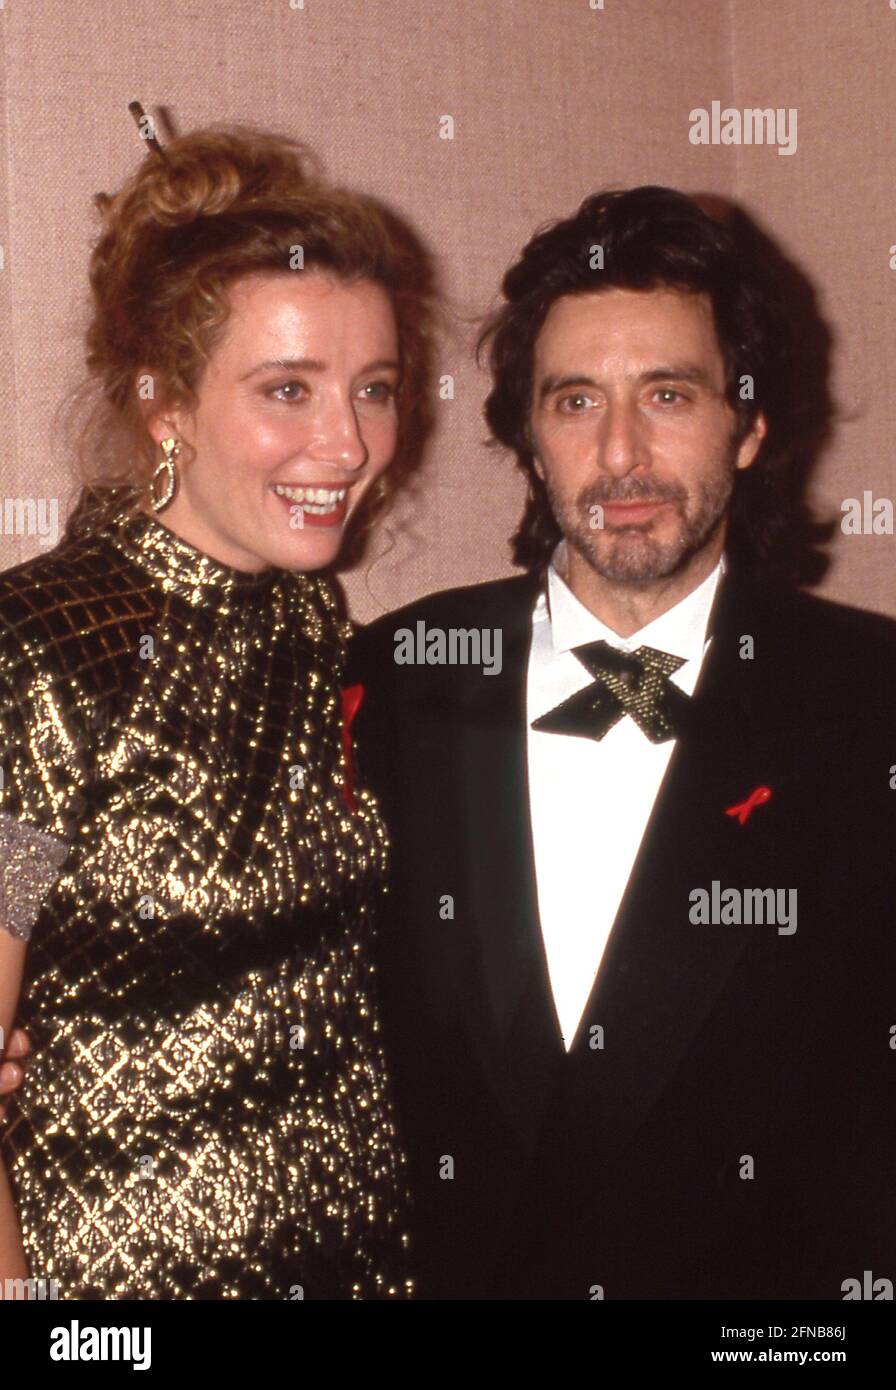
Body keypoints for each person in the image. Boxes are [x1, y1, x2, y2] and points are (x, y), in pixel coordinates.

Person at [349, 187, 896, 1299]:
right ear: (527, 435)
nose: (620, 451)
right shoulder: (385, 682)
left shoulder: (870, 703)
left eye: (667, 394)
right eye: (574, 400)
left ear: (747, 425)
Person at [0, 118, 433, 1299]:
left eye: (374, 389)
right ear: (164, 401)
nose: (346, 445)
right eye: (286, 388)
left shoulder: (312, 627)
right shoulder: (42, 653)